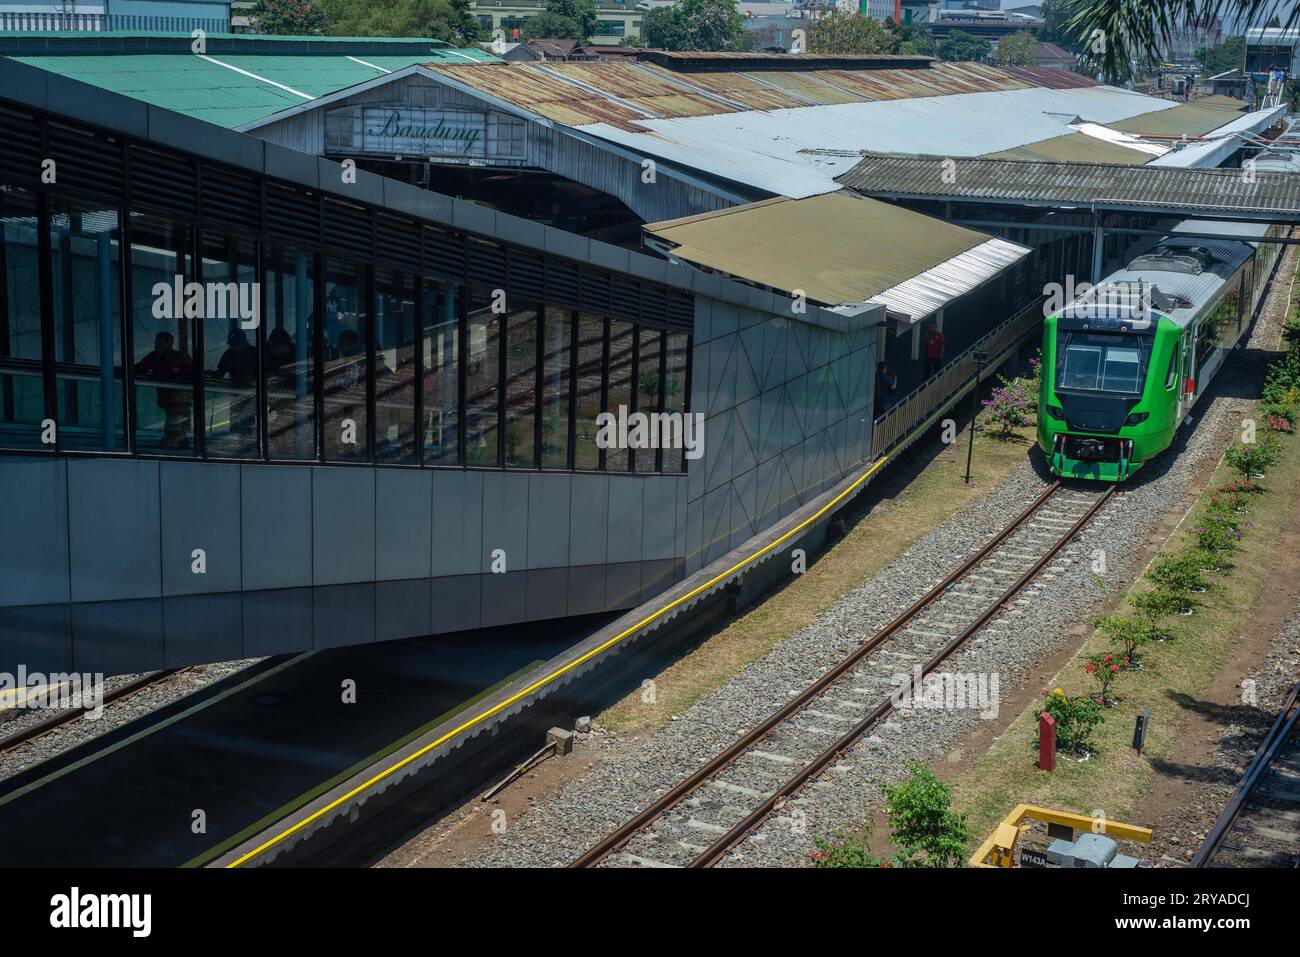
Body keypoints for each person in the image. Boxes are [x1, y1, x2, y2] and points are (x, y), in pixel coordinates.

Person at [134, 331, 193, 449]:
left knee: (176, 424)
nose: (156, 346)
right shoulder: (154, 357)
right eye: (156, 343)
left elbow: (192, 374)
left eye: (160, 343)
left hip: (180, 400)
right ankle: (179, 443)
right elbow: (139, 368)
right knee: (175, 425)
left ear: (169, 344)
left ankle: (175, 443)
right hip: (168, 399)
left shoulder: (180, 358)